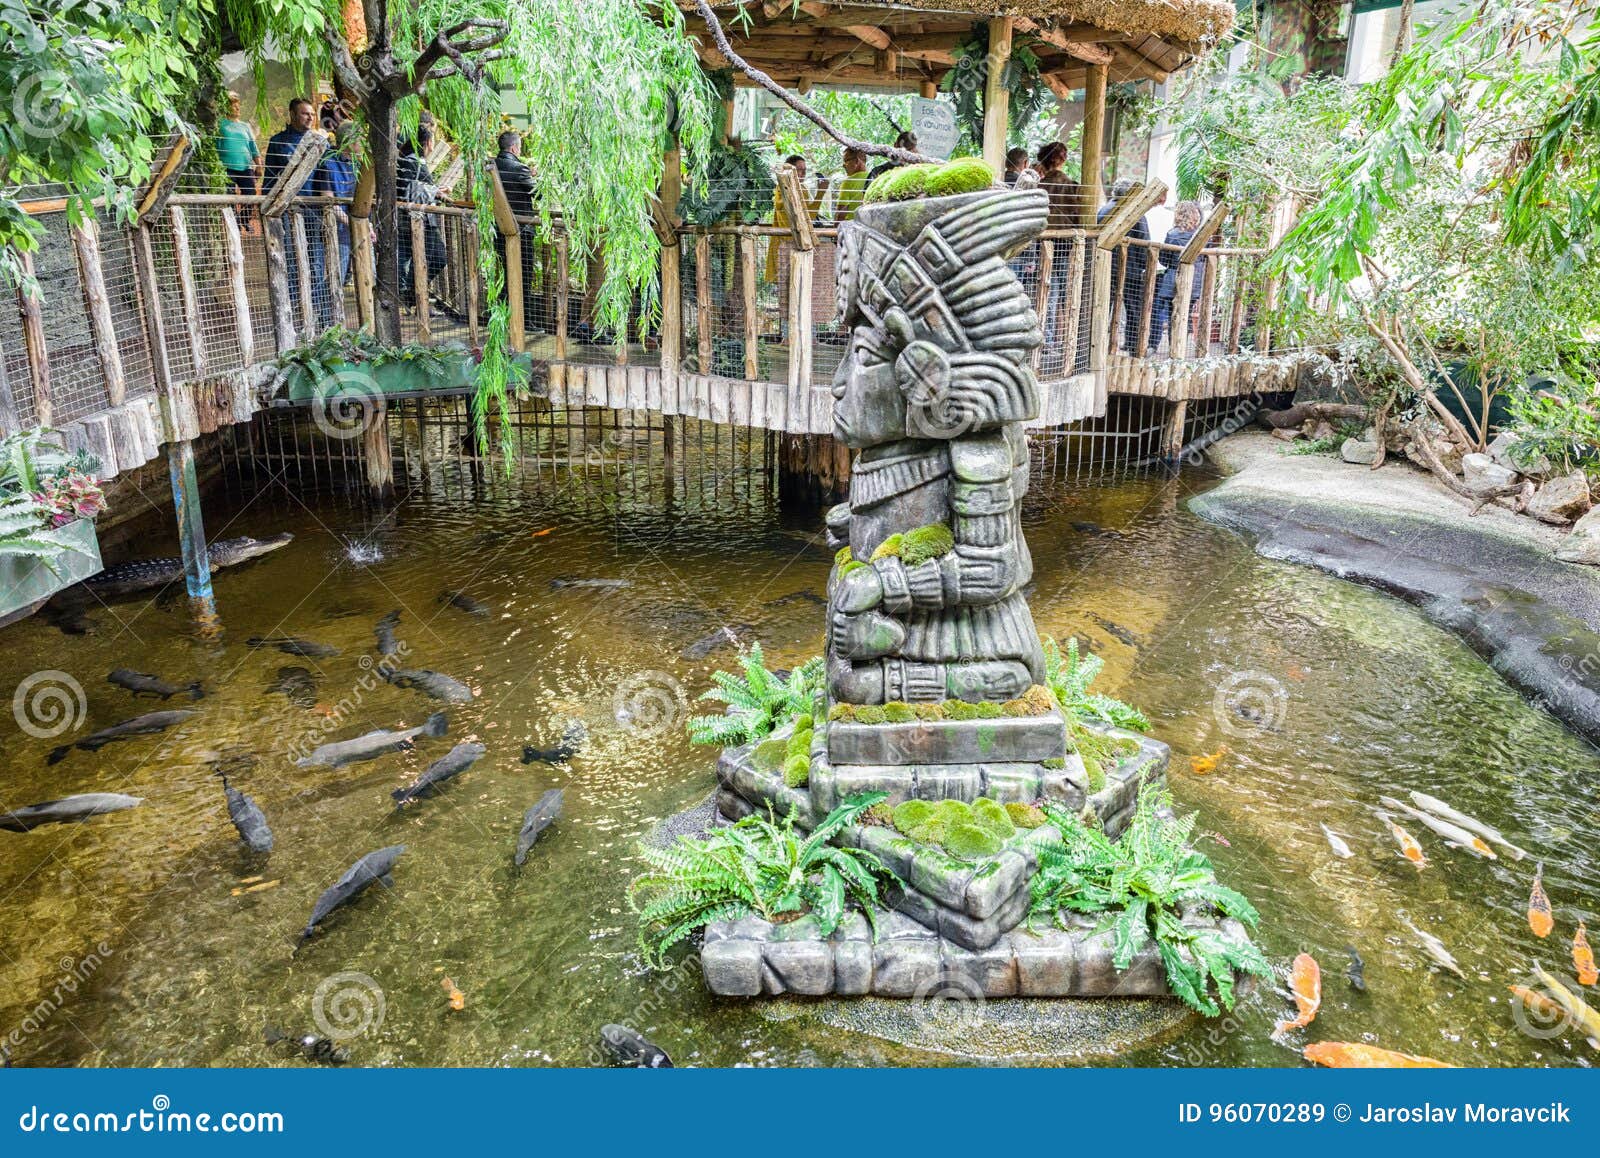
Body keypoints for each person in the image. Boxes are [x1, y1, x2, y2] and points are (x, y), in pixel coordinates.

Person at [264, 98, 333, 329]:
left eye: (312, 114)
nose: (310, 118)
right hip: (285, 209)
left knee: (315, 260)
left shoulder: (319, 143)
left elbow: (326, 176)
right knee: (291, 259)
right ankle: (295, 310)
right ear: (292, 115)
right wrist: (266, 208)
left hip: (312, 209)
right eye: (304, 114)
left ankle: (318, 311)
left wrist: (327, 207)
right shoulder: (278, 142)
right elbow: (270, 178)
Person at [1151, 200, 1213, 355]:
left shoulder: (1172, 235)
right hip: (1195, 281)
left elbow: (1163, 259)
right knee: (1186, 314)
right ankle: (1182, 348)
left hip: (1174, 280)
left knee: (1174, 314)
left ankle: (1174, 347)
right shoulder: (1202, 236)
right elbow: (1206, 258)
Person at [1037, 142, 1083, 350]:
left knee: (1046, 291)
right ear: (1063, 159)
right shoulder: (1071, 186)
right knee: (1063, 294)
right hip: (1064, 246)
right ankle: (1063, 341)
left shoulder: (1039, 186)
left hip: (1040, 244)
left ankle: (1044, 338)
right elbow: (1078, 217)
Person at [1096, 179, 1150, 353]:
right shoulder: (1137, 213)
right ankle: (1133, 345)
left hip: (1105, 266)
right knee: (1134, 309)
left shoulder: (1103, 210)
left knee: (1102, 305)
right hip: (1131, 271)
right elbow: (1144, 241)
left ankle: (1098, 342)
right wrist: (1143, 264)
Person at [397, 129, 447, 306]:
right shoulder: (413, 162)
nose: (433, 146)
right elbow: (412, 190)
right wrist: (438, 193)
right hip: (421, 220)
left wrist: (436, 190)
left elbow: (415, 187)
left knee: (426, 258)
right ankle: (415, 297)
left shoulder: (409, 161)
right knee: (433, 258)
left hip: (417, 218)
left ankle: (414, 297)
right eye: (432, 141)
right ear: (426, 143)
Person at [494, 128, 537, 326]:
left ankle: (502, 317)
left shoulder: (492, 166)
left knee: (506, 273)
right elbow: (539, 193)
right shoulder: (519, 169)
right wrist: (534, 177)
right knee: (523, 275)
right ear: (514, 148)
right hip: (521, 230)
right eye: (519, 147)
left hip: (499, 229)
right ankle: (524, 321)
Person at [322, 121, 359, 285]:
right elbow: (328, 201)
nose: (363, 144)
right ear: (350, 142)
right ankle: (328, 309)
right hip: (339, 229)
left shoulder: (359, 164)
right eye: (360, 140)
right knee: (337, 274)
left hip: (360, 227)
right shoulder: (328, 163)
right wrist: (352, 223)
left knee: (369, 272)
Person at [217, 92, 261, 230]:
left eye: (238, 106)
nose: (237, 109)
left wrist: (259, 164)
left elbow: (253, 146)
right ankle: (233, 222)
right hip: (226, 166)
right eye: (234, 106)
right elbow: (216, 144)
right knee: (229, 195)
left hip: (245, 166)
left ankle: (244, 219)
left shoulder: (245, 126)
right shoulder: (221, 124)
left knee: (250, 194)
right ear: (226, 108)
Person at [828, 147, 871, 224]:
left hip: (851, 229)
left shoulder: (848, 182)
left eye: (846, 161)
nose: (843, 165)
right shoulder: (874, 178)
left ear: (857, 161)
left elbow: (841, 214)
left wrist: (835, 231)